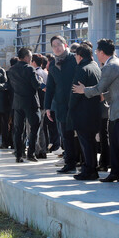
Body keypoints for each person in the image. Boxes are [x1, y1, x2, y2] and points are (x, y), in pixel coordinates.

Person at [75, 39, 119, 182]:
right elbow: (114, 88)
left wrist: (84, 90)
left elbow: (99, 88)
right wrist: (104, 96)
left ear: (101, 52)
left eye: (97, 51)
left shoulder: (110, 66)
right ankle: (116, 173)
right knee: (115, 142)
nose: (96, 53)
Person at [45, 36, 81, 174]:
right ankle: (70, 163)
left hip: (77, 103)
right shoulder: (53, 64)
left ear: (65, 45)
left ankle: (86, 163)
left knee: (81, 135)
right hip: (60, 105)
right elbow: (50, 87)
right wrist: (47, 107)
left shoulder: (74, 59)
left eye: (59, 44)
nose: (57, 48)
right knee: (66, 135)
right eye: (54, 46)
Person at [69, 44, 103, 180]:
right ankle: (92, 168)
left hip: (83, 112)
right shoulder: (96, 67)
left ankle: (89, 170)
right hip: (95, 110)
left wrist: (70, 108)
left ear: (79, 56)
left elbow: (75, 91)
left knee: (86, 142)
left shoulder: (81, 69)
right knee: (91, 142)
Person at [7, 47, 42, 163]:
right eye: (30, 57)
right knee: (34, 126)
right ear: (26, 57)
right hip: (31, 102)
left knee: (18, 129)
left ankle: (18, 154)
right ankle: (30, 153)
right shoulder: (30, 69)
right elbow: (36, 85)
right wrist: (40, 81)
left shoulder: (11, 70)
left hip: (17, 102)